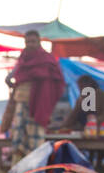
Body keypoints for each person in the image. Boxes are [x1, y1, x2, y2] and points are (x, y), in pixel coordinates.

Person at [4, 30, 64, 163]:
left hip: (38, 103)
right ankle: (18, 168)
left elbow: (57, 82)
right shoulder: (23, 58)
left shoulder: (46, 59)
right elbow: (11, 77)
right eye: (27, 42)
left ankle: (37, 168)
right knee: (18, 135)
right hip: (21, 101)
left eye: (33, 41)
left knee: (36, 136)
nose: (30, 44)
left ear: (39, 42)